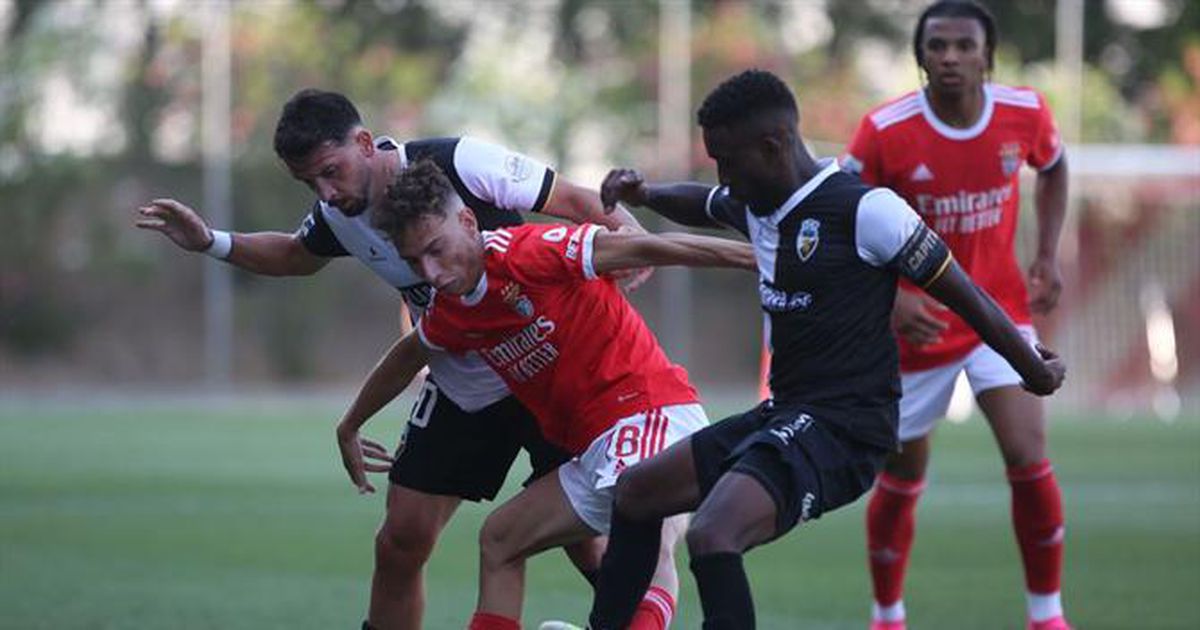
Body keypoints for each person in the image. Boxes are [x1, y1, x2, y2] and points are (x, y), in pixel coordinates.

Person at [549, 68, 1065, 629]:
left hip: (848, 427)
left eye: (728, 159)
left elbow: (966, 294)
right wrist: (646, 194)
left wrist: (1029, 367)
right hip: (789, 412)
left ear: (773, 146)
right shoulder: (759, 201)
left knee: (713, 533)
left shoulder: (867, 211)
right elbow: (703, 203)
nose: (724, 175)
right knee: (637, 492)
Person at [135, 89, 647, 630]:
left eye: (330, 172)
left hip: (544, 369)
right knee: (401, 539)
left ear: (362, 142)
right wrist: (209, 241)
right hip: (464, 383)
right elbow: (294, 255)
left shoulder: (458, 162)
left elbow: (572, 200)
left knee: (588, 548)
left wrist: (634, 242)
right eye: (309, 183)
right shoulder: (340, 213)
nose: (325, 192)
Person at [333, 158, 757, 630]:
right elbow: (410, 353)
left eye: (436, 249)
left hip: (649, 411)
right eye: (415, 262)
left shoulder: (529, 253)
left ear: (468, 221)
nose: (431, 272)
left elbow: (651, 246)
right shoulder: (452, 311)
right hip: (593, 446)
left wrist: (760, 260)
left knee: (644, 530)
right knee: (500, 540)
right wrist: (350, 423)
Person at [841, 2, 1071, 628]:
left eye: (963, 46)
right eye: (936, 46)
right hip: (919, 331)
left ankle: (1046, 615)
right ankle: (887, 614)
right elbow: (837, 220)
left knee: (1028, 454)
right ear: (920, 57)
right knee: (903, 471)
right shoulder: (884, 131)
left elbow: (1053, 167)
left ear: (986, 56)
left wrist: (1047, 255)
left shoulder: (1024, 113)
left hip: (998, 319)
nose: (949, 57)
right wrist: (890, 296)